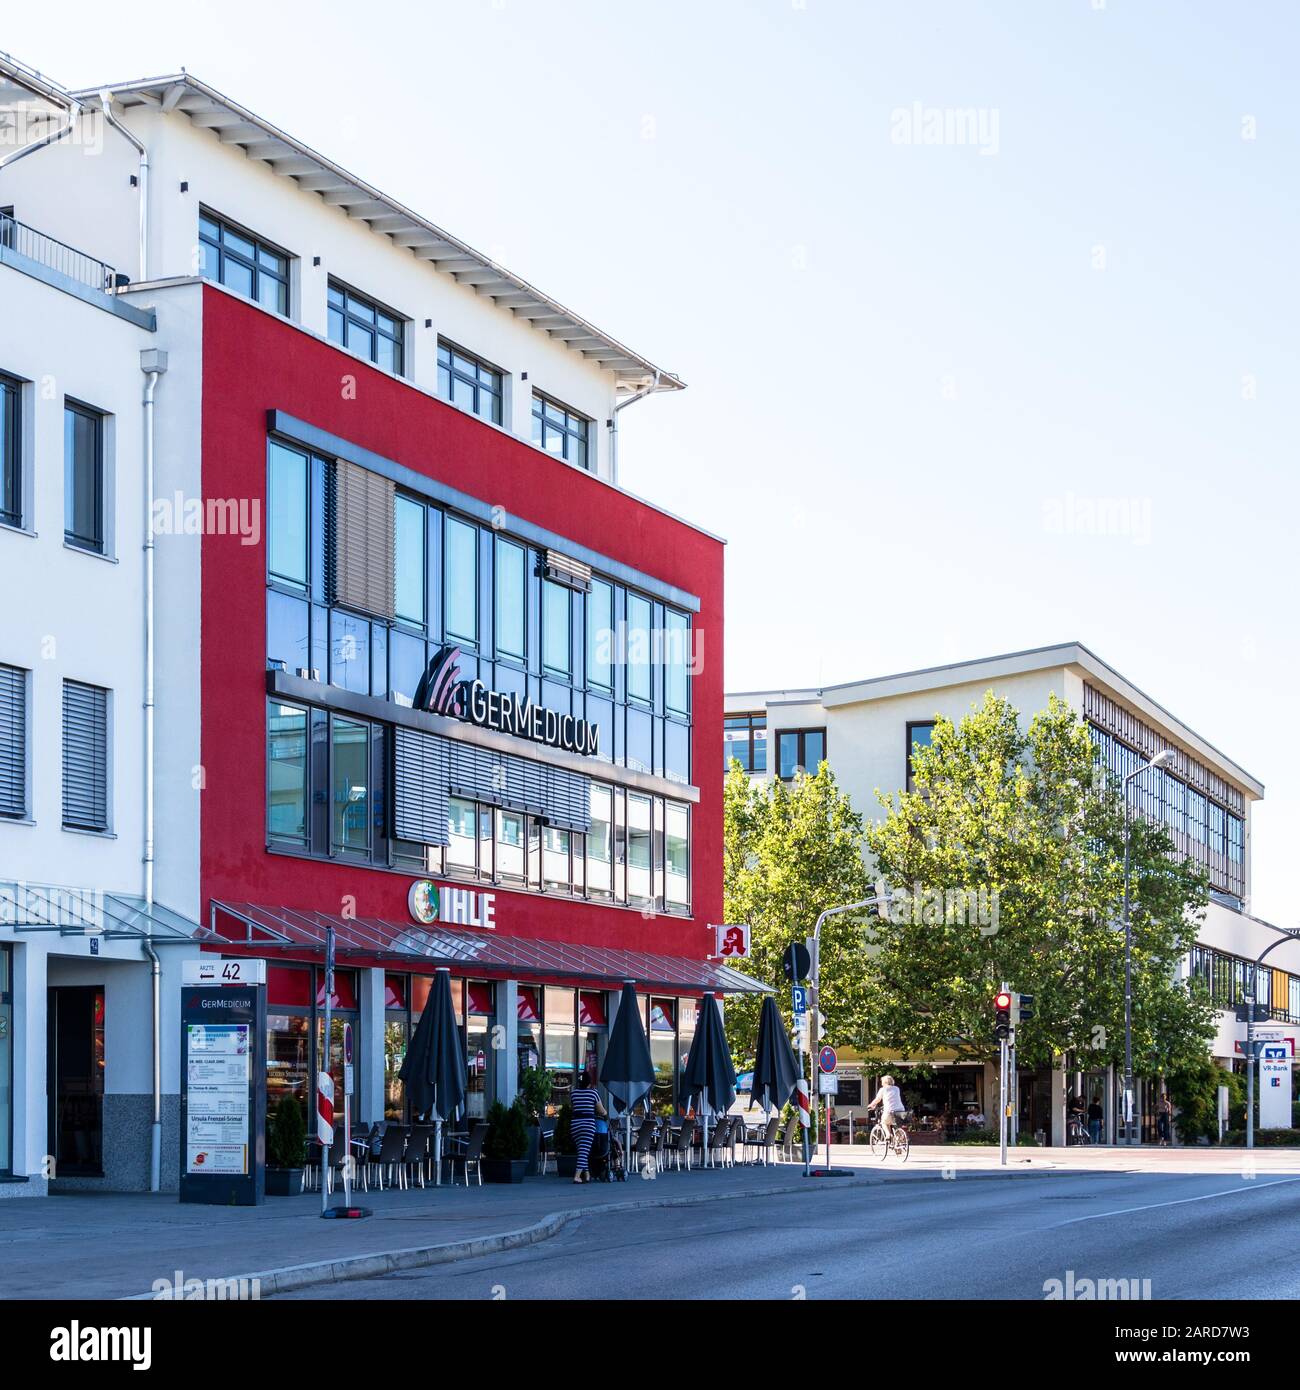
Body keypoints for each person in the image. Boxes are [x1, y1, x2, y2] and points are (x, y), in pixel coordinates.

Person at [569, 1070, 606, 1184]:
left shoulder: (573, 1093)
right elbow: (601, 1111)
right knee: (584, 1152)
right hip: (588, 1125)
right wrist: (605, 1113)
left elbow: (573, 1108)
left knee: (582, 1150)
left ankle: (587, 1175)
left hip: (575, 1124)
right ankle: (576, 1176)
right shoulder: (593, 1093)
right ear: (589, 1083)